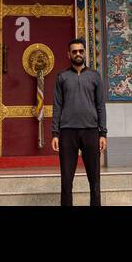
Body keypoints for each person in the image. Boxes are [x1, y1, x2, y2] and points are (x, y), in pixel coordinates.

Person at [51, 38, 106, 206]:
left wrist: (103, 133)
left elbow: (100, 106)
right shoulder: (62, 77)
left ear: (84, 53)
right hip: (68, 132)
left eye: (81, 51)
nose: (78, 54)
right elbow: (57, 105)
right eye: (74, 51)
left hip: (91, 131)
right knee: (66, 180)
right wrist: (55, 133)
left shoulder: (95, 76)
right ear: (69, 54)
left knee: (94, 180)